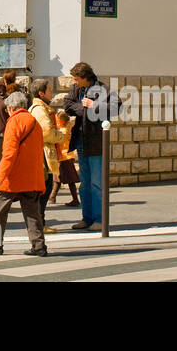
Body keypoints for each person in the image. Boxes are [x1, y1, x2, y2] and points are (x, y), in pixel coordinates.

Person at [0, 90, 47, 257]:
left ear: (11, 107)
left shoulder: (14, 122)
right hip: (31, 176)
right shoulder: (34, 122)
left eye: (7, 109)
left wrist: (0, 176)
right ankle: (39, 245)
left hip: (13, 177)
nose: (6, 111)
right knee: (32, 213)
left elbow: (9, 153)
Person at [61, 61, 118, 231]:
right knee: (85, 184)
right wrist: (84, 109)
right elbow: (67, 105)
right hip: (81, 141)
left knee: (96, 184)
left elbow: (116, 107)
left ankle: (100, 220)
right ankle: (87, 218)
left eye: (76, 78)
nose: (74, 82)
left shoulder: (103, 89)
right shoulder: (77, 90)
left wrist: (94, 106)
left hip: (96, 143)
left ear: (85, 78)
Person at [28, 78, 64, 235]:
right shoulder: (40, 110)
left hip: (43, 154)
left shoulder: (40, 108)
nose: (52, 92)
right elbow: (47, 133)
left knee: (43, 192)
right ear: (41, 92)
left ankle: (40, 224)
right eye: (49, 90)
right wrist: (61, 135)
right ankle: (39, 226)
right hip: (43, 155)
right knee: (43, 193)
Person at [50, 93, 81, 207]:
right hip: (64, 156)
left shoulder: (63, 131)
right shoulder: (67, 127)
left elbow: (57, 139)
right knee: (58, 177)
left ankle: (74, 199)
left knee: (69, 179)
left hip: (64, 157)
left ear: (61, 121)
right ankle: (52, 197)